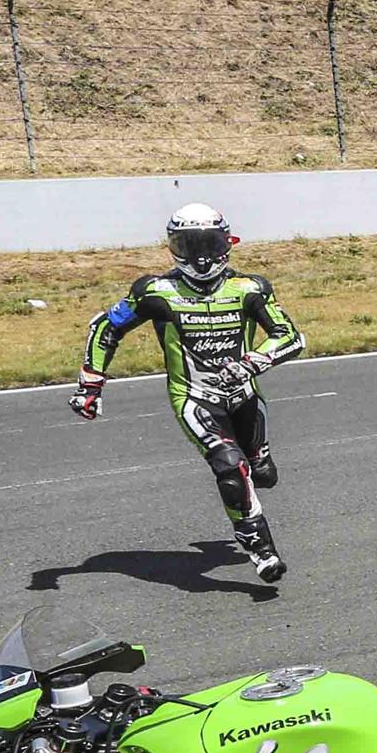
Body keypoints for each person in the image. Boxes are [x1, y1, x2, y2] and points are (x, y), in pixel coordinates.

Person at [72, 204, 305, 582]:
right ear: (172, 247)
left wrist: (251, 363)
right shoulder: (154, 291)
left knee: (262, 473)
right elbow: (105, 328)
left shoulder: (250, 288)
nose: (201, 256)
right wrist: (90, 384)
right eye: (188, 244)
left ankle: (258, 460)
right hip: (193, 398)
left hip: (245, 395)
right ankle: (259, 546)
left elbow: (291, 337)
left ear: (227, 243)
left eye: (209, 243)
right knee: (231, 470)